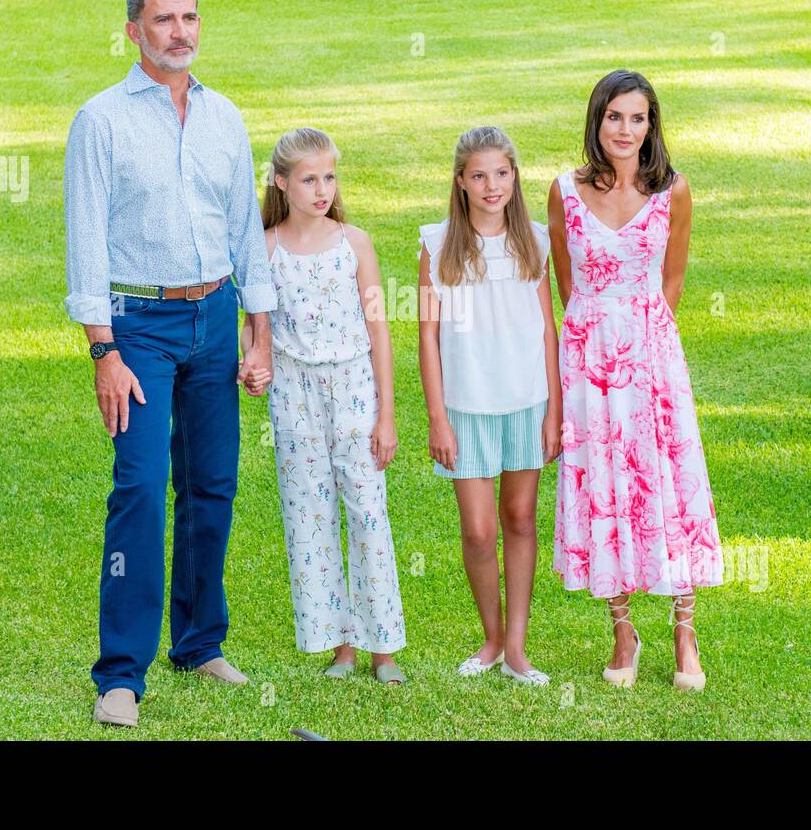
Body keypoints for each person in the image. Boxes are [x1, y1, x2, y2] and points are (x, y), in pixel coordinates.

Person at [63, 0, 275, 728]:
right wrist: (103, 352)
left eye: (189, 17)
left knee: (213, 485)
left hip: (215, 317)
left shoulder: (224, 117)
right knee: (141, 488)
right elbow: (86, 242)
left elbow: (245, 230)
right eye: (163, 20)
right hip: (139, 330)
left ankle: (198, 641)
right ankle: (121, 672)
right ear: (133, 31)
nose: (180, 31)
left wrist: (260, 330)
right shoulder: (101, 120)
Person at [547, 69, 724, 691]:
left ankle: (684, 629)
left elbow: (672, 280)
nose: (626, 130)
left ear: (652, 125)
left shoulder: (674, 190)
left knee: (669, 487)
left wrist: (644, 336)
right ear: (597, 121)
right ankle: (623, 630)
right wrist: (597, 334)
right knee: (605, 487)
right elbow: (567, 280)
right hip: (590, 360)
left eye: (638, 118)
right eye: (614, 117)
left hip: (652, 357)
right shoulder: (563, 192)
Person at [250, 127, 407, 684]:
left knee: (367, 512)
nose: (322, 189)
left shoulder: (354, 243)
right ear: (281, 182)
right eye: (309, 178)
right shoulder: (265, 248)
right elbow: (257, 331)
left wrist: (385, 413)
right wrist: (253, 363)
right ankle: (339, 643)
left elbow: (378, 328)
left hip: (354, 390)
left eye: (329, 177)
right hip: (294, 396)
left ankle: (382, 647)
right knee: (309, 517)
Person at [418, 125, 562, 686]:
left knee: (521, 517)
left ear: (514, 176)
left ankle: (518, 649)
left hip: (526, 399)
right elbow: (427, 338)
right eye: (478, 175)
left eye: (501, 173)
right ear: (460, 182)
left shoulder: (535, 240)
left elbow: (548, 330)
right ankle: (492, 638)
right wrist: (437, 417)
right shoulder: (437, 244)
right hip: (465, 405)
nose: (491, 185)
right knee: (479, 530)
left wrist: (552, 409)